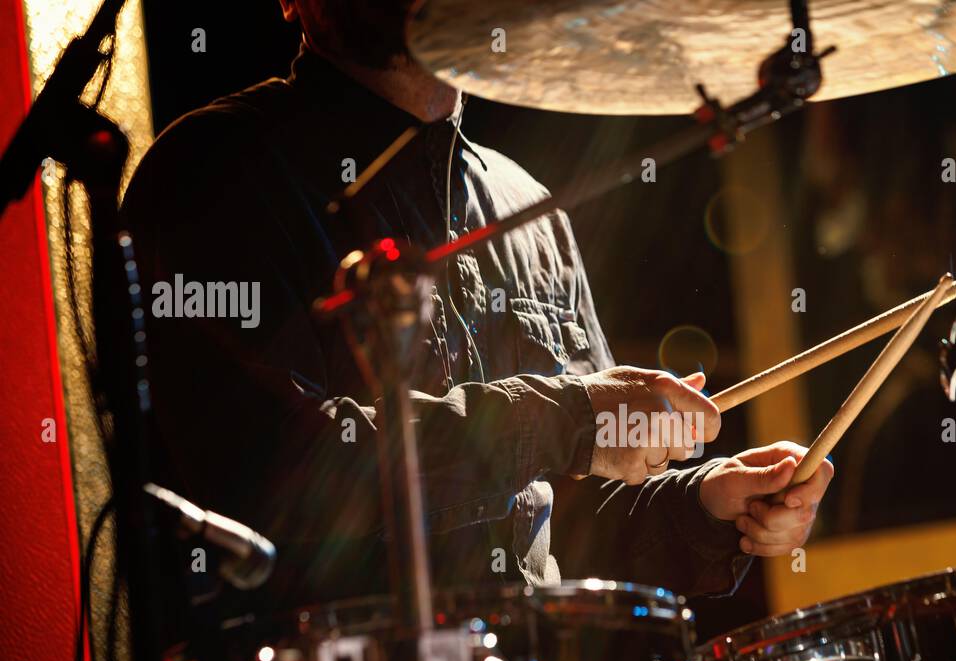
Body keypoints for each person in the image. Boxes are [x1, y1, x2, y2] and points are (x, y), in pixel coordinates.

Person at [122, 0, 834, 607]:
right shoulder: (215, 168)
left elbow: (574, 514)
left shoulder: (530, 206)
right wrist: (571, 417)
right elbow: (273, 472)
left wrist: (707, 503)